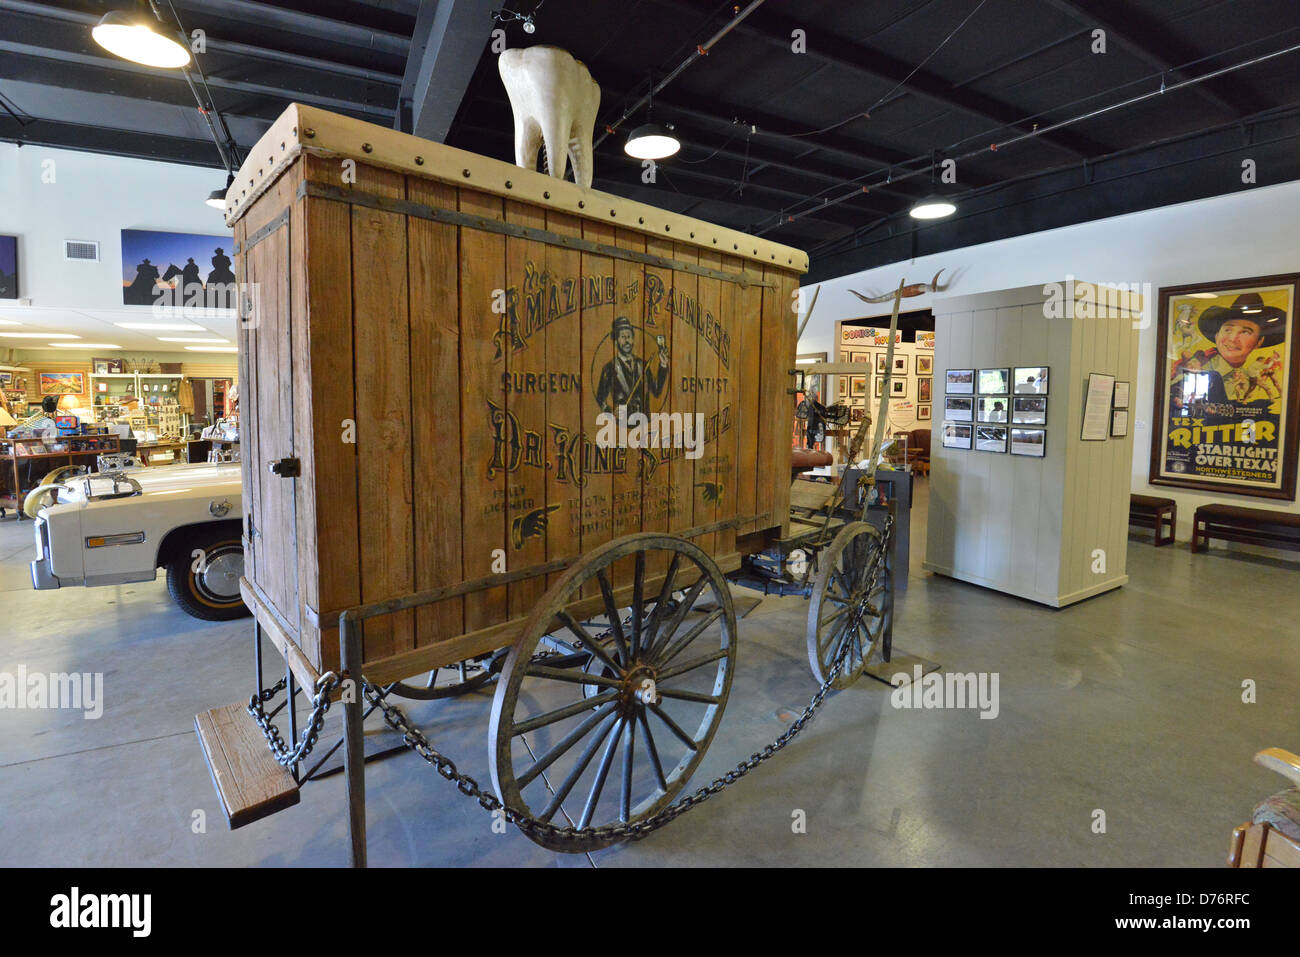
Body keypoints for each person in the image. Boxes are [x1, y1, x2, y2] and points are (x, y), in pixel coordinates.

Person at [1171, 292, 1286, 406]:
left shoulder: (1247, 375)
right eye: (1228, 330)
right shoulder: (1199, 368)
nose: (1232, 338)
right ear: (1217, 336)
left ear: (1259, 342)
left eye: (1245, 332)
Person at [594, 315, 668, 416]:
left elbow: (656, 391)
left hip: (644, 422)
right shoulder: (609, 368)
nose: (627, 341)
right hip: (621, 423)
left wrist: (663, 365)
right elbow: (600, 399)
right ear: (616, 341)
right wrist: (611, 412)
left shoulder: (643, 365)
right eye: (623, 337)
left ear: (633, 339)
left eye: (629, 336)